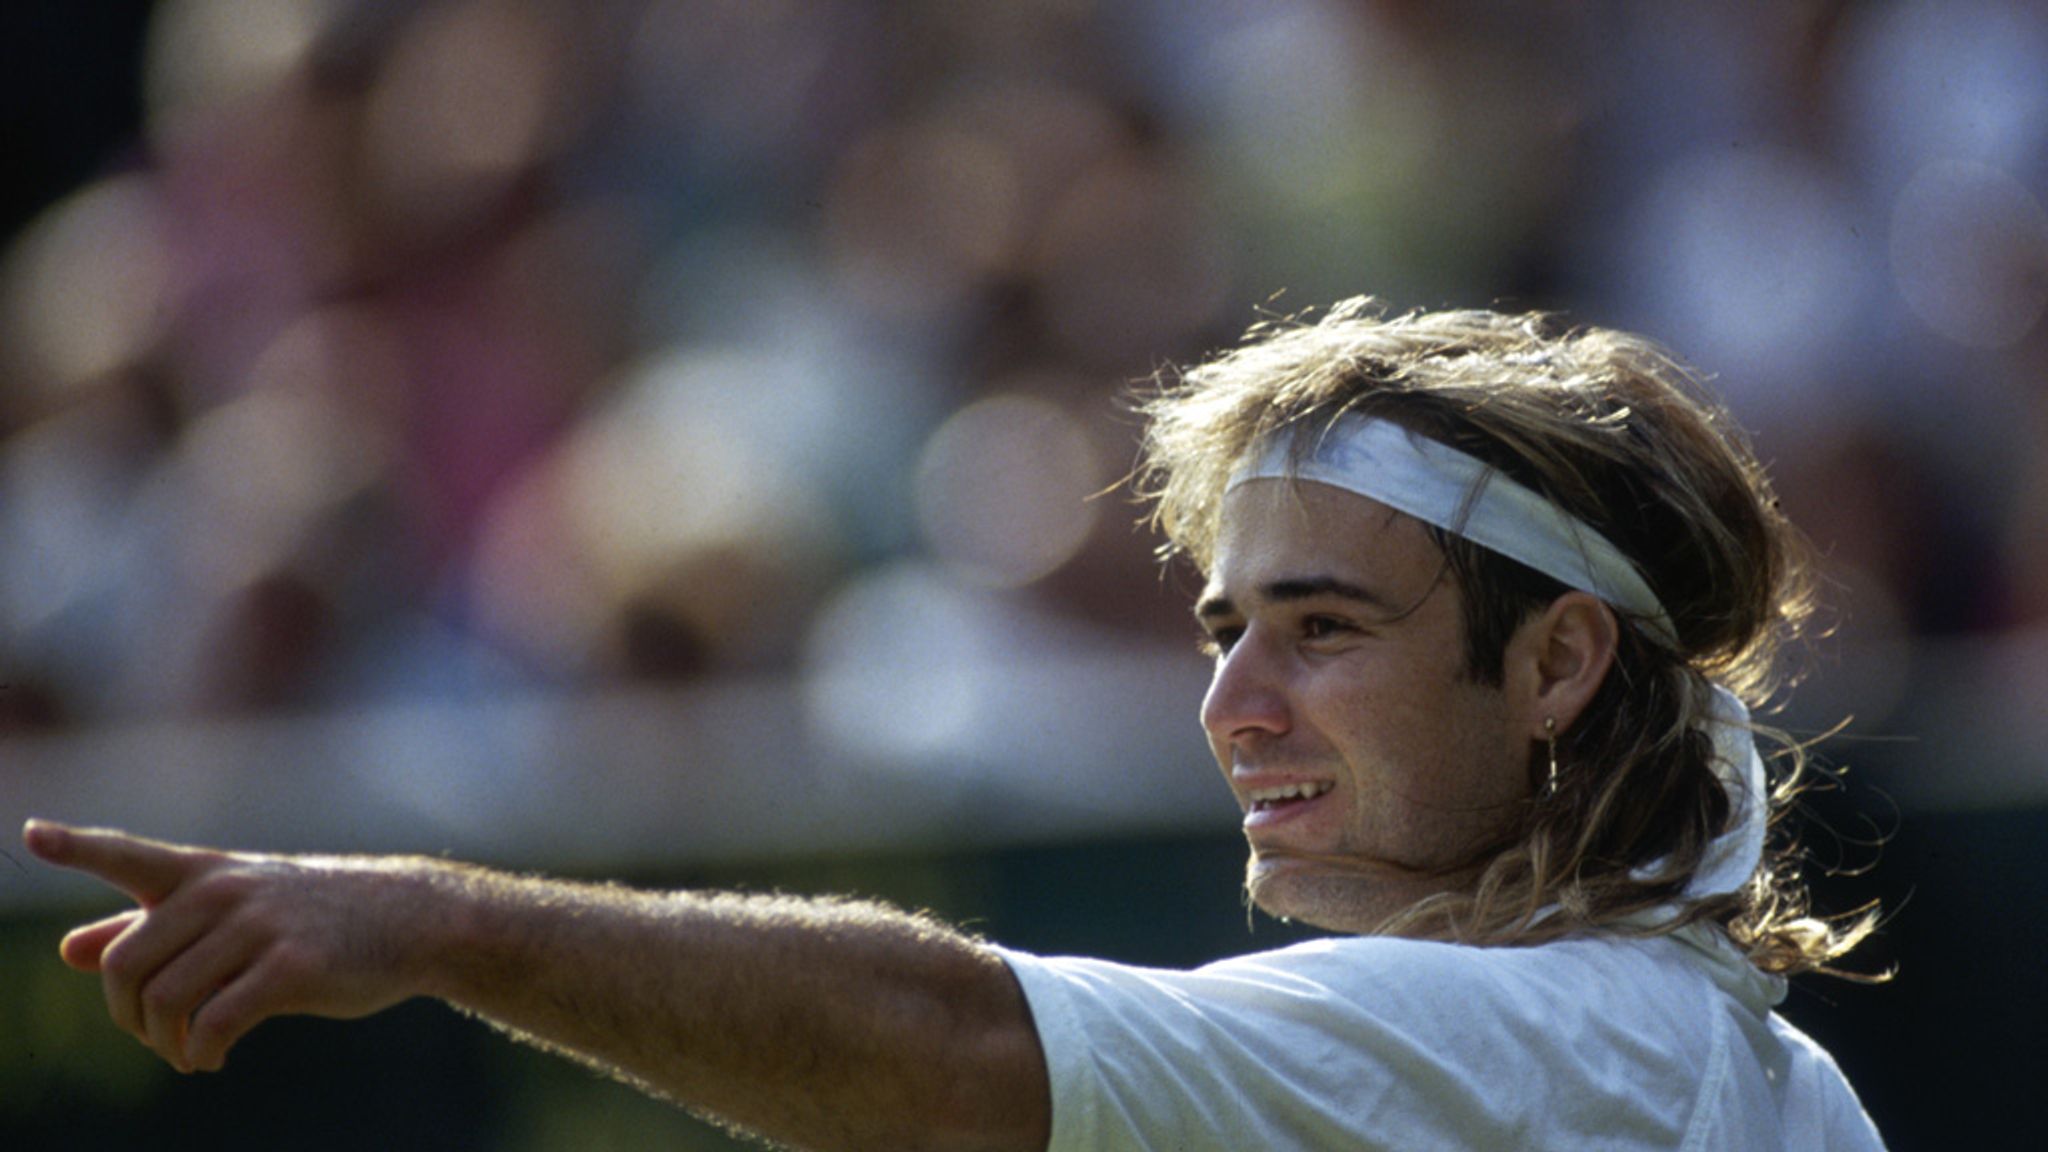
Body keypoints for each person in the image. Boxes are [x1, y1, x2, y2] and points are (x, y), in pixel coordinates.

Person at [24, 298, 1887, 1150]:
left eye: (1325, 629)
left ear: (1558, 665)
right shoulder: (1716, 1070)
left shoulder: (1565, 1049)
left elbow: (949, 1048)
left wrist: (438, 925)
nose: (1234, 706)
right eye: (1226, 630)